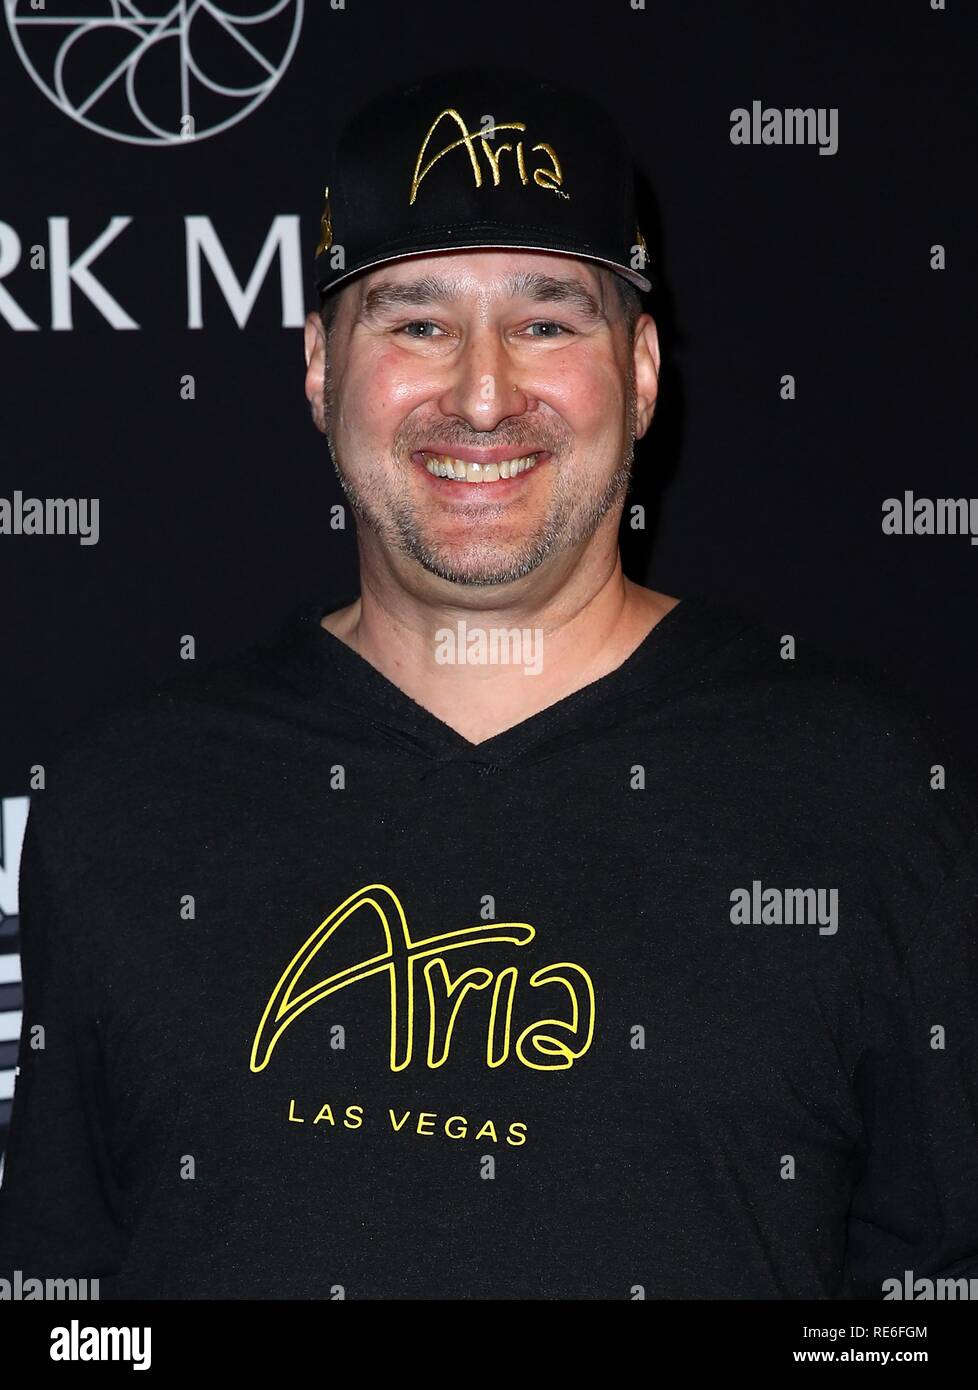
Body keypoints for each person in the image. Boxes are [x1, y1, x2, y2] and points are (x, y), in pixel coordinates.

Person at [1, 65, 976, 1301]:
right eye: (415, 320)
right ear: (317, 369)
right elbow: (66, 1310)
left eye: (547, 320)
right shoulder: (126, 799)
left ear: (641, 373)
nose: (479, 392)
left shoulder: (870, 790)